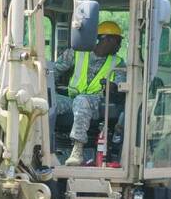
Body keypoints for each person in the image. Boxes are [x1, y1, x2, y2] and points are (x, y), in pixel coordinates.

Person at [51, 20, 125, 166]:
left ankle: (77, 149)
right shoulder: (76, 53)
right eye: (118, 41)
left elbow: (119, 86)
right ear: (106, 39)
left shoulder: (118, 63)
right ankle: (43, 146)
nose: (119, 45)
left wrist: (113, 87)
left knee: (82, 100)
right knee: (48, 100)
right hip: (73, 100)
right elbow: (53, 71)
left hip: (97, 104)